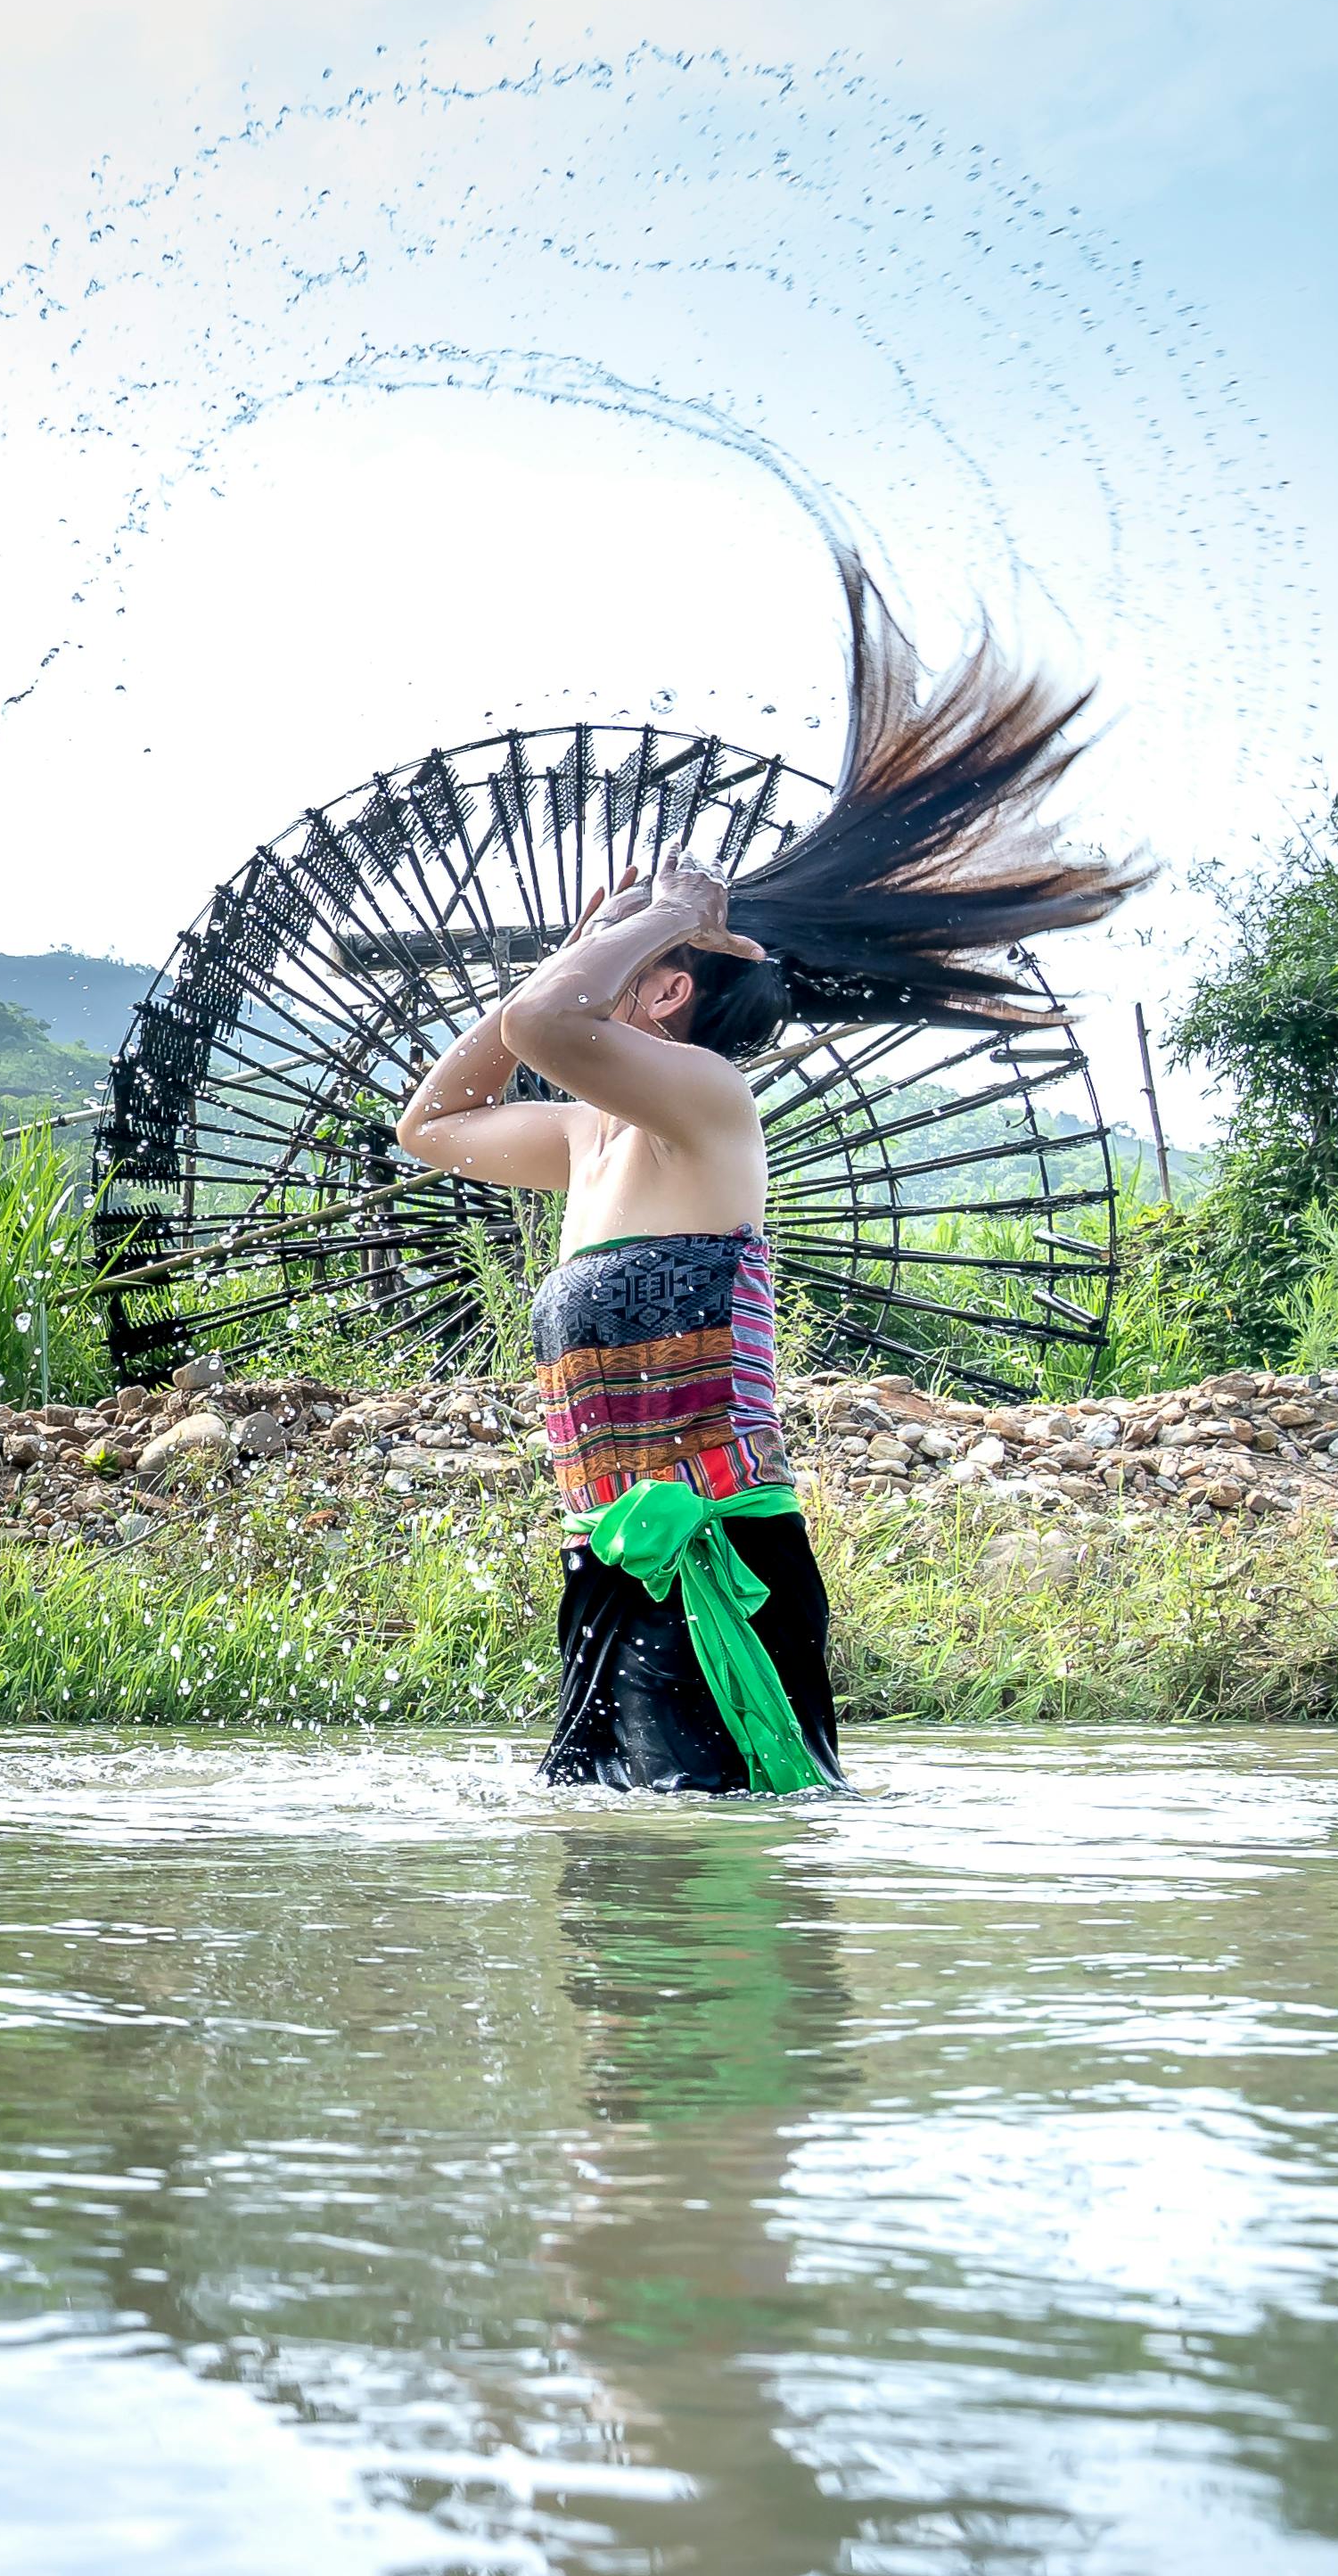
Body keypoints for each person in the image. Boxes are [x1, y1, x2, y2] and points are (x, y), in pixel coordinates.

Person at [392, 562, 1136, 1793]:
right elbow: (433, 1119)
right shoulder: (586, 1139)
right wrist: (598, 941)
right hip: (609, 1568)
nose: (599, 977)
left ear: (670, 990)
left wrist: (638, 925)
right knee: (616, 1896)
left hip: (721, 1567)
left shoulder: (710, 1107)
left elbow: (540, 1025)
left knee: (713, 1871)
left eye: (633, 964)